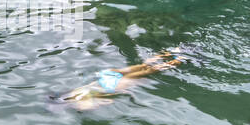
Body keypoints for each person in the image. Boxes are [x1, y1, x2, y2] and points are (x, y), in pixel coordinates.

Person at [57, 51, 186, 111]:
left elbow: (108, 101)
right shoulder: (73, 92)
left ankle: (180, 59)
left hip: (114, 86)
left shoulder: (81, 105)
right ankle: (174, 51)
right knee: (143, 65)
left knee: (149, 71)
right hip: (106, 77)